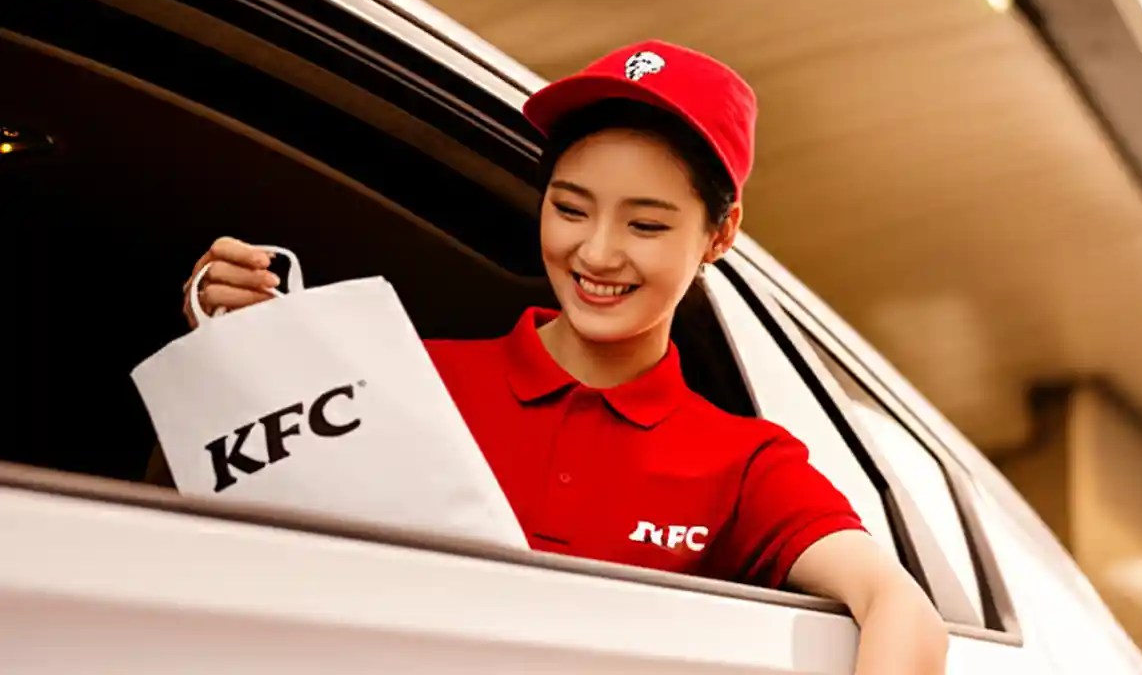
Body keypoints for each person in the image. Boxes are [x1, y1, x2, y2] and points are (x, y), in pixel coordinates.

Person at [180, 41, 947, 673]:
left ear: (719, 234)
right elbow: (205, 527)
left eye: (646, 225)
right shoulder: (403, 376)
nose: (597, 253)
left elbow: (898, 606)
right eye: (571, 208)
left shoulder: (742, 464)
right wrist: (224, 343)